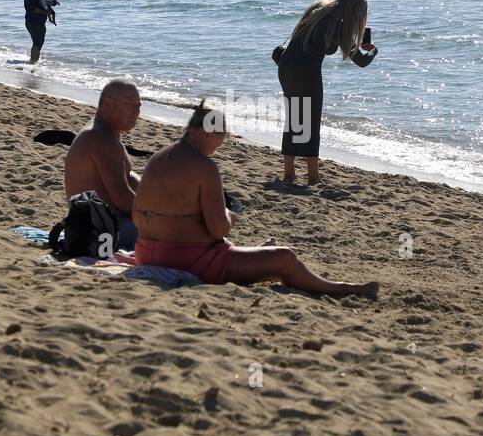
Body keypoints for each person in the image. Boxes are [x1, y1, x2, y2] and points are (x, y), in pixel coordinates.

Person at [134, 100, 379, 297]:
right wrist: (230, 217)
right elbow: (218, 230)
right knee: (286, 257)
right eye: (221, 138)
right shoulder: (203, 167)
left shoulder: (158, 158)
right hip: (191, 262)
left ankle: (259, 255)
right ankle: (340, 288)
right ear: (209, 132)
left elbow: (140, 215)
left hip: (147, 253)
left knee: (262, 255)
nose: (220, 145)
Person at [277, 0, 378, 186]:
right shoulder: (340, 26)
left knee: (295, 119)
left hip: (286, 65)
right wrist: (373, 50)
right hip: (307, 72)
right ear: (356, 11)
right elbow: (362, 61)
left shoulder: (319, 7)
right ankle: (313, 177)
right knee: (310, 124)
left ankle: (289, 174)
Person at [64, 79, 142, 251]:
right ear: (108, 104)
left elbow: (125, 182)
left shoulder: (105, 132)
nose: (137, 112)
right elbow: (122, 200)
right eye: (131, 105)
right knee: (175, 238)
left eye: (139, 106)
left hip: (91, 225)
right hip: (98, 232)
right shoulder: (101, 139)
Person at [24, 0, 54, 64]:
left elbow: (49, 4)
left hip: (41, 23)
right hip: (31, 22)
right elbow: (34, 9)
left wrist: (52, 4)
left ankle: (35, 59)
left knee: (41, 41)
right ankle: (32, 61)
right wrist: (45, 12)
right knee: (36, 41)